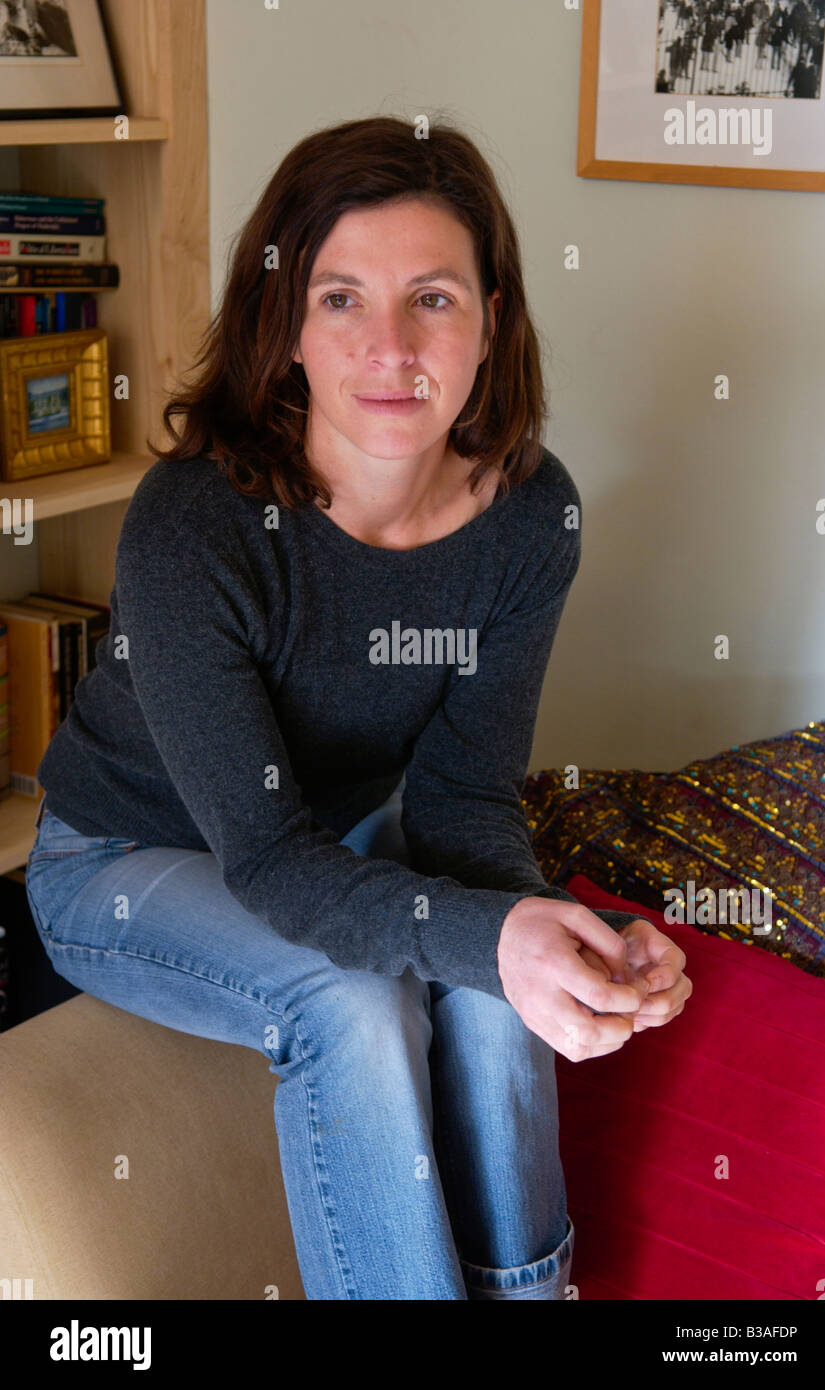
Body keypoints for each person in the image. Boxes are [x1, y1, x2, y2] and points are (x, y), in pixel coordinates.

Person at [25, 115, 691, 1301]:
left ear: (493, 319)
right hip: (127, 857)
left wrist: (554, 938)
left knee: (501, 968)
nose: (389, 345)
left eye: (432, 297)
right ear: (283, 329)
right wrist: (489, 930)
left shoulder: (531, 521)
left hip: (333, 837)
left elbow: (464, 801)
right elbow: (272, 862)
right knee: (357, 999)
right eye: (340, 298)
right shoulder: (196, 523)